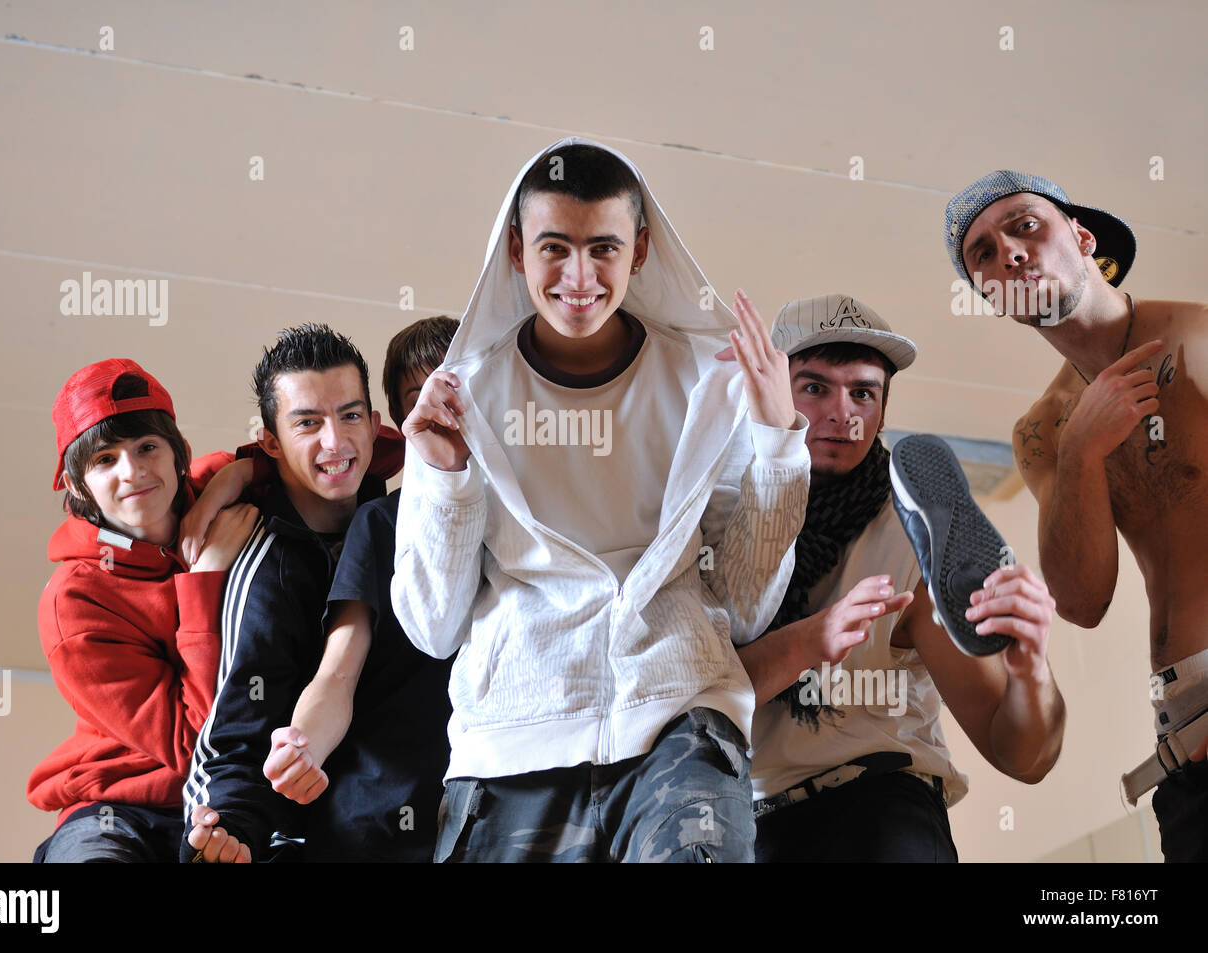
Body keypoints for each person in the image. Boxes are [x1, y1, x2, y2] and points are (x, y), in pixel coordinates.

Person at [393, 138, 810, 863]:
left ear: (641, 250)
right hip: (511, 745)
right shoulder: (465, 397)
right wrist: (449, 479)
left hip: (678, 716)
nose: (579, 275)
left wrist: (777, 443)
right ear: (517, 251)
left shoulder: (704, 381)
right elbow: (433, 626)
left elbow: (744, 603)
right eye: (555, 247)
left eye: (604, 248)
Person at [737, 294, 1065, 862]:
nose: (844, 413)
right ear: (765, 390)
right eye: (814, 388)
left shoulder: (914, 530)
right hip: (753, 829)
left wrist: (1030, 670)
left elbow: (1023, 756)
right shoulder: (723, 519)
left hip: (883, 811)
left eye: (863, 392)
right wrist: (809, 640)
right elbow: (692, 701)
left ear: (884, 412)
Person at [947, 171, 1208, 861]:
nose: (1008, 251)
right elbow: (1082, 601)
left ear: (1082, 237)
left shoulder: (1200, 334)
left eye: (1025, 225)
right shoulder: (1043, 432)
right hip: (1182, 739)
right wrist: (1083, 450)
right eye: (982, 253)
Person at [181, 323, 397, 862]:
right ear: (271, 443)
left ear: (374, 426)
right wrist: (227, 826)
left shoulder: (408, 526)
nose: (335, 441)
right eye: (308, 423)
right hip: (306, 840)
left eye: (350, 415)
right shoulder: (260, 565)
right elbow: (234, 736)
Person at [29, 358, 258, 862]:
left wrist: (235, 477)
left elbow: (359, 457)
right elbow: (193, 740)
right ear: (75, 486)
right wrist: (206, 579)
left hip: (230, 798)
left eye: (147, 448)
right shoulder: (74, 602)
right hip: (117, 808)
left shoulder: (214, 491)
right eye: (104, 460)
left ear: (179, 455)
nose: (132, 472)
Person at [255, 315, 460, 862]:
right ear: (399, 419)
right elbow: (337, 673)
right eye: (423, 396)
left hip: (493, 816)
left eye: (460, 384)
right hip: (374, 826)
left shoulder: (530, 524)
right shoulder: (382, 524)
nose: (447, 406)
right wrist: (301, 747)